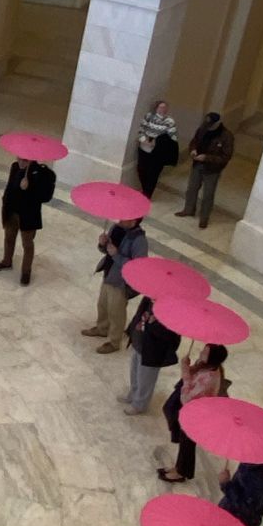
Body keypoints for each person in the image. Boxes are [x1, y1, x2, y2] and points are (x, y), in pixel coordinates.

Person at [158, 344, 228, 482]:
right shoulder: (205, 366)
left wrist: (184, 370)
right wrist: (188, 366)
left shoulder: (209, 378)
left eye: (205, 352)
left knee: (187, 445)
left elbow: (186, 398)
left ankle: (181, 472)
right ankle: (179, 468)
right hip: (192, 412)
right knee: (186, 443)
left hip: (195, 414)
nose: (201, 352)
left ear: (211, 358)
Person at [80, 217, 147, 353]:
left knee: (116, 312)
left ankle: (114, 342)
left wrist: (116, 255)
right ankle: (102, 328)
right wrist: (102, 244)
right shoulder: (116, 228)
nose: (120, 219)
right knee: (102, 304)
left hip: (121, 282)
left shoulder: (139, 241)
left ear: (134, 220)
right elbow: (107, 250)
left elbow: (138, 267)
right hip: (108, 274)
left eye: (124, 217)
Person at [0, 156, 56, 285]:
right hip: (12, 211)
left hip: (28, 215)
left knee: (27, 244)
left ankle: (26, 272)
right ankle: (6, 261)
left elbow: (46, 197)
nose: (20, 162)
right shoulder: (15, 167)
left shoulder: (43, 173)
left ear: (31, 160)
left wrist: (30, 186)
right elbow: (9, 188)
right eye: (19, 158)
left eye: (24, 160)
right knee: (9, 238)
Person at [121, 295, 180, 415]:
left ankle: (139, 404)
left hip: (152, 352)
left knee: (146, 379)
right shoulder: (148, 300)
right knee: (135, 373)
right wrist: (131, 330)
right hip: (138, 343)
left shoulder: (171, 310)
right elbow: (139, 315)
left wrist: (154, 324)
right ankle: (133, 393)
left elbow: (170, 336)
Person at [176, 111, 234, 229]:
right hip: (197, 165)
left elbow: (225, 157)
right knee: (191, 189)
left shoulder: (226, 136)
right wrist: (193, 150)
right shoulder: (202, 129)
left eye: (211, 125)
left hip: (212, 169)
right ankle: (189, 209)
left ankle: (204, 218)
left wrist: (207, 158)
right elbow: (194, 142)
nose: (208, 126)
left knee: (208, 194)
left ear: (218, 123)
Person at [134, 99, 178, 198]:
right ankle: (145, 189)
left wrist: (158, 142)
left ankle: (148, 194)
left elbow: (172, 136)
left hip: (158, 150)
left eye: (165, 107)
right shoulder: (149, 116)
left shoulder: (170, 121)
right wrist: (143, 140)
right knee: (141, 169)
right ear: (156, 108)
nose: (163, 109)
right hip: (145, 146)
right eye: (161, 107)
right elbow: (142, 128)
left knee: (153, 173)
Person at [217, 461, 263, 526]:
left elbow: (247, 511)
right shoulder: (250, 463)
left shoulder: (260, 476)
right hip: (226, 517)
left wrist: (226, 485)